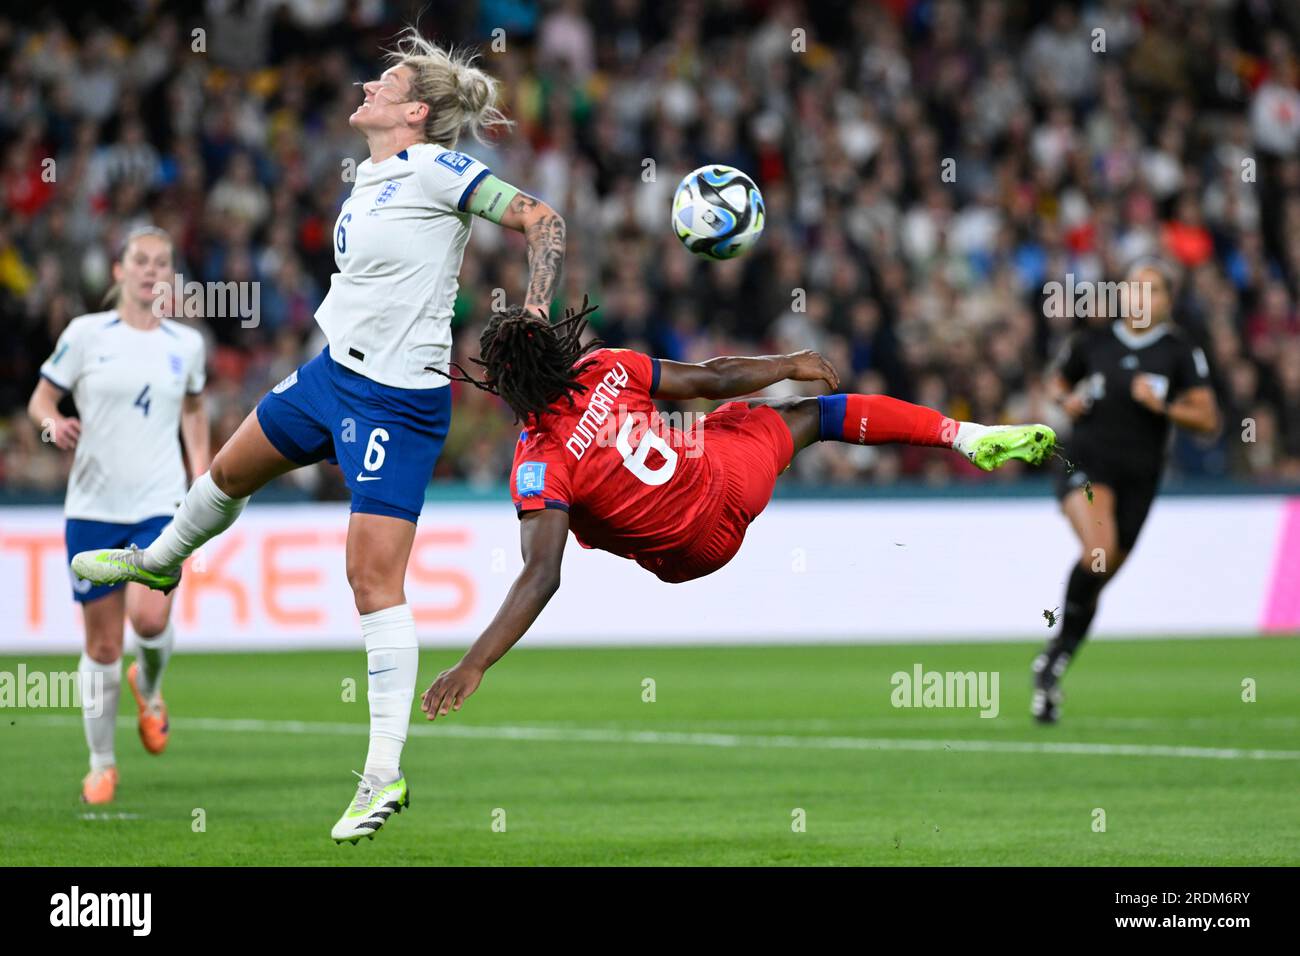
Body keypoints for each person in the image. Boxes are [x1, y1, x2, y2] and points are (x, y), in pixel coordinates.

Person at [70, 29, 567, 844]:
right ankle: (158, 564)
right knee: (229, 472)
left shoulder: (438, 167)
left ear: (414, 112)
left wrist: (538, 306)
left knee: (371, 582)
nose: (369, 86)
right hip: (332, 372)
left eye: (387, 81)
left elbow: (540, 219)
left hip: (395, 402)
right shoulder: (369, 176)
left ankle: (381, 775)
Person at [417, 298, 1057, 719]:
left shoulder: (537, 463)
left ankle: (960, 437)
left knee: (595, 517)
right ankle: (963, 436)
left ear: (502, 388)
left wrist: (474, 662)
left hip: (691, 555)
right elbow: (715, 376)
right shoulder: (606, 365)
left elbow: (541, 575)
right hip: (730, 480)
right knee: (815, 417)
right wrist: (789, 363)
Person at [27, 226, 209, 804]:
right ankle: (101, 763)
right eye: (141, 260)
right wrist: (51, 425)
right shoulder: (85, 335)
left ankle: (149, 689)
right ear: (119, 271)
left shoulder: (187, 345)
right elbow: (41, 400)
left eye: (162, 261)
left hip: (161, 504)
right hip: (93, 507)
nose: (152, 269)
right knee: (103, 647)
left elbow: (195, 410)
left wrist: (203, 480)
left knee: (150, 621)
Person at [1032, 260, 1219, 723]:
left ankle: (1053, 663)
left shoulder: (1178, 352)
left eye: (1151, 290)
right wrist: (1065, 400)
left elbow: (1209, 420)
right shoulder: (1093, 340)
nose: (1140, 297)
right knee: (1099, 549)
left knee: (1100, 576)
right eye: (1134, 288)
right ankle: (1053, 659)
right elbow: (1056, 382)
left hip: (1141, 479)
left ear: (1166, 302)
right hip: (1086, 463)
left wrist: (1166, 407)